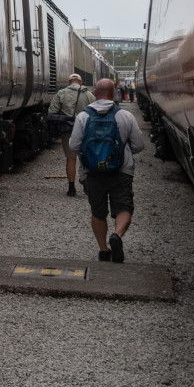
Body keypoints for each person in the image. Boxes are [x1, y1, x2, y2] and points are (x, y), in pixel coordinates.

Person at [67, 77, 146, 263]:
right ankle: (117, 235)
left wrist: (93, 157)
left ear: (95, 93)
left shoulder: (83, 116)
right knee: (124, 207)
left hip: (92, 172)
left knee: (98, 211)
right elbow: (139, 145)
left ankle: (103, 250)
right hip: (121, 171)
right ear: (113, 94)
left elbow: (74, 145)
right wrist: (121, 153)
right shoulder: (125, 116)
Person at [47, 74, 94, 196]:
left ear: (69, 83)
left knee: (70, 159)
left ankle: (71, 188)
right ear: (80, 81)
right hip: (86, 131)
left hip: (68, 130)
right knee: (86, 158)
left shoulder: (61, 93)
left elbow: (52, 112)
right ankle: (87, 184)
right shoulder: (89, 95)